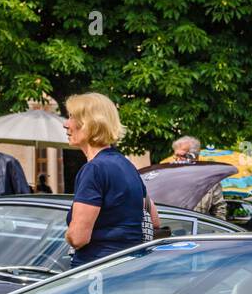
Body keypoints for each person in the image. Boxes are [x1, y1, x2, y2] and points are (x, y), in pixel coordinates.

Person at [63, 92, 158, 267]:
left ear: (89, 124)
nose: (65, 124)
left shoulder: (94, 169)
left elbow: (78, 238)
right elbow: (155, 220)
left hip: (97, 272)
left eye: (71, 117)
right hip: (129, 268)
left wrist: (68, 234)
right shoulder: (126, 165)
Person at [170, 135, 227, 219]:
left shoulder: (210, 181)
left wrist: (216, 231)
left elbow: (220, 211)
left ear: (194, 157)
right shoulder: (169, 178)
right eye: (176, 156)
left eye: (181, 156)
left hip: (200, 230)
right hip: (173, 228)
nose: (177, 160)